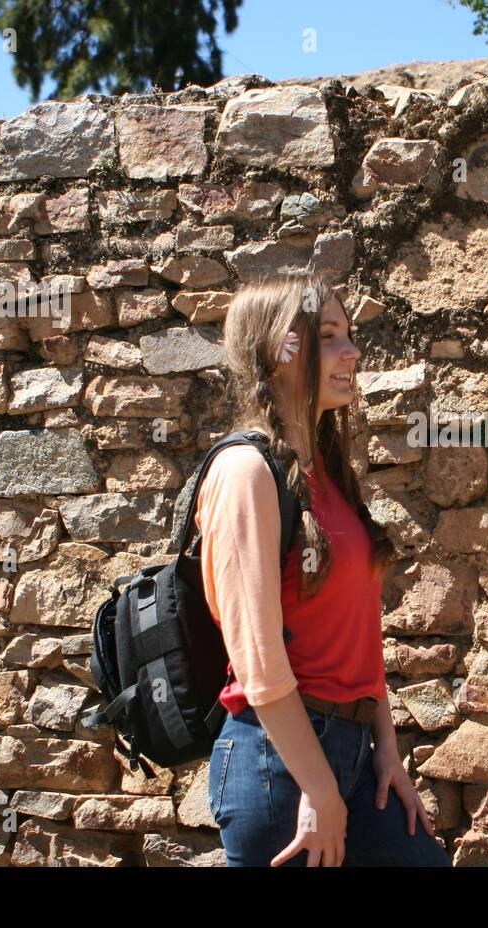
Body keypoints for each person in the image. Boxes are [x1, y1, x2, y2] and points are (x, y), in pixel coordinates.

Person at [196, 270, 451, 867]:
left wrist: (386, 748)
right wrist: (316, 786)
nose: (352, 352)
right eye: (329, 335)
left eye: (348, 334)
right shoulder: (244, 472)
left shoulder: (327, 474)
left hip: (358, 755)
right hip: (278, 764)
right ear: (280, 351)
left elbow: (359, 633)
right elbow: (258, 661)